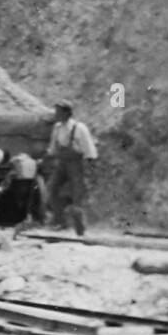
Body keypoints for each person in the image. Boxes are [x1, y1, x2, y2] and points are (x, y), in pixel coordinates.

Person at [46, 100, 97, 235]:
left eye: (58, 112)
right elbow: (53, 148)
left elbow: (89, 149)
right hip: (62, 163)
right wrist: (48, 157)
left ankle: (80, 228)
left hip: (76, 164)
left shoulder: (79, 128)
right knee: (51, 188)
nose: (56, 114)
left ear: (67, 113)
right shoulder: (57, 128)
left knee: (77, 196)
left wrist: (90, 167)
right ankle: (60, 220)